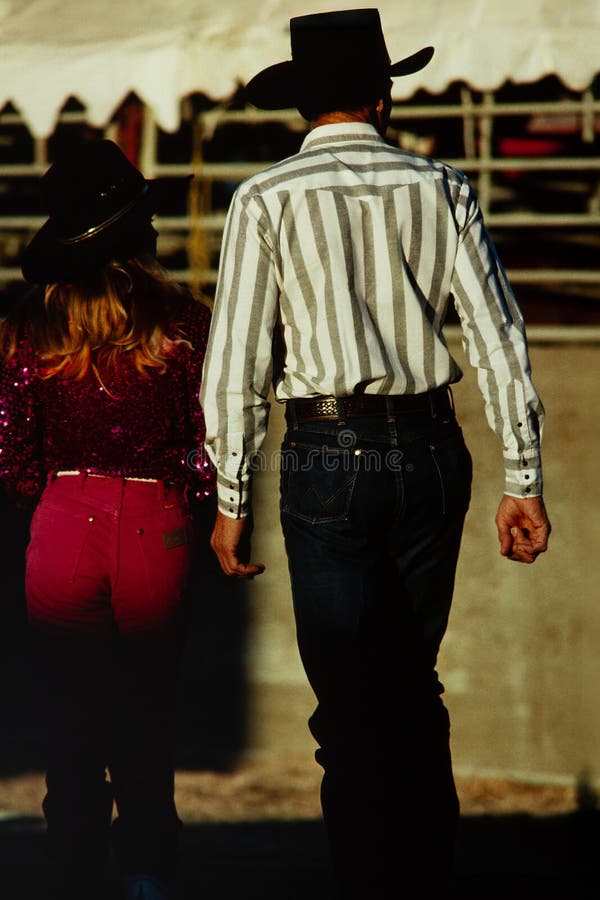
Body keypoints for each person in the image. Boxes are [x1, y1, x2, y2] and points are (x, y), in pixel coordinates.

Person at [200, 8, 551, 898]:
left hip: (326, 448)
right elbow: (499, 338)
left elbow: (237, 361)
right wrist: (524, 477)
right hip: (430, 442)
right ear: (384, 93)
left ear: (303, 105)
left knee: (351, 708)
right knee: (413, 688)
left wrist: (231, 497)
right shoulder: (443, 188)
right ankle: (423, 879)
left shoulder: (264, 198)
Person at [0, 139, 215, 900]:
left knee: (69, 713)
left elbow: (12, 450)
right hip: (157, 521)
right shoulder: (187, 320)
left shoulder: (29, 327)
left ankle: (75, 869)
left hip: (62, 517)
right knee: (146, 710)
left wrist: (56, 500)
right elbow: (206, 441)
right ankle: (148, 871)